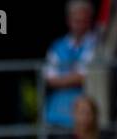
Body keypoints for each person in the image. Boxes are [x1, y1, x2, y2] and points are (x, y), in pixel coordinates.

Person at [43, 0, 99, 130]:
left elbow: (86, 76)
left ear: (89, 21)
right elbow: (49, 78)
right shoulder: (56, 46)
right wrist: (76, 77)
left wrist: (62, 78)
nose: (79, 25)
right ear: (68, 20)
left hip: (86, 115)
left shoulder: (96, 46)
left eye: (83, 21)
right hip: (56, 113)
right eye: (76, 21)